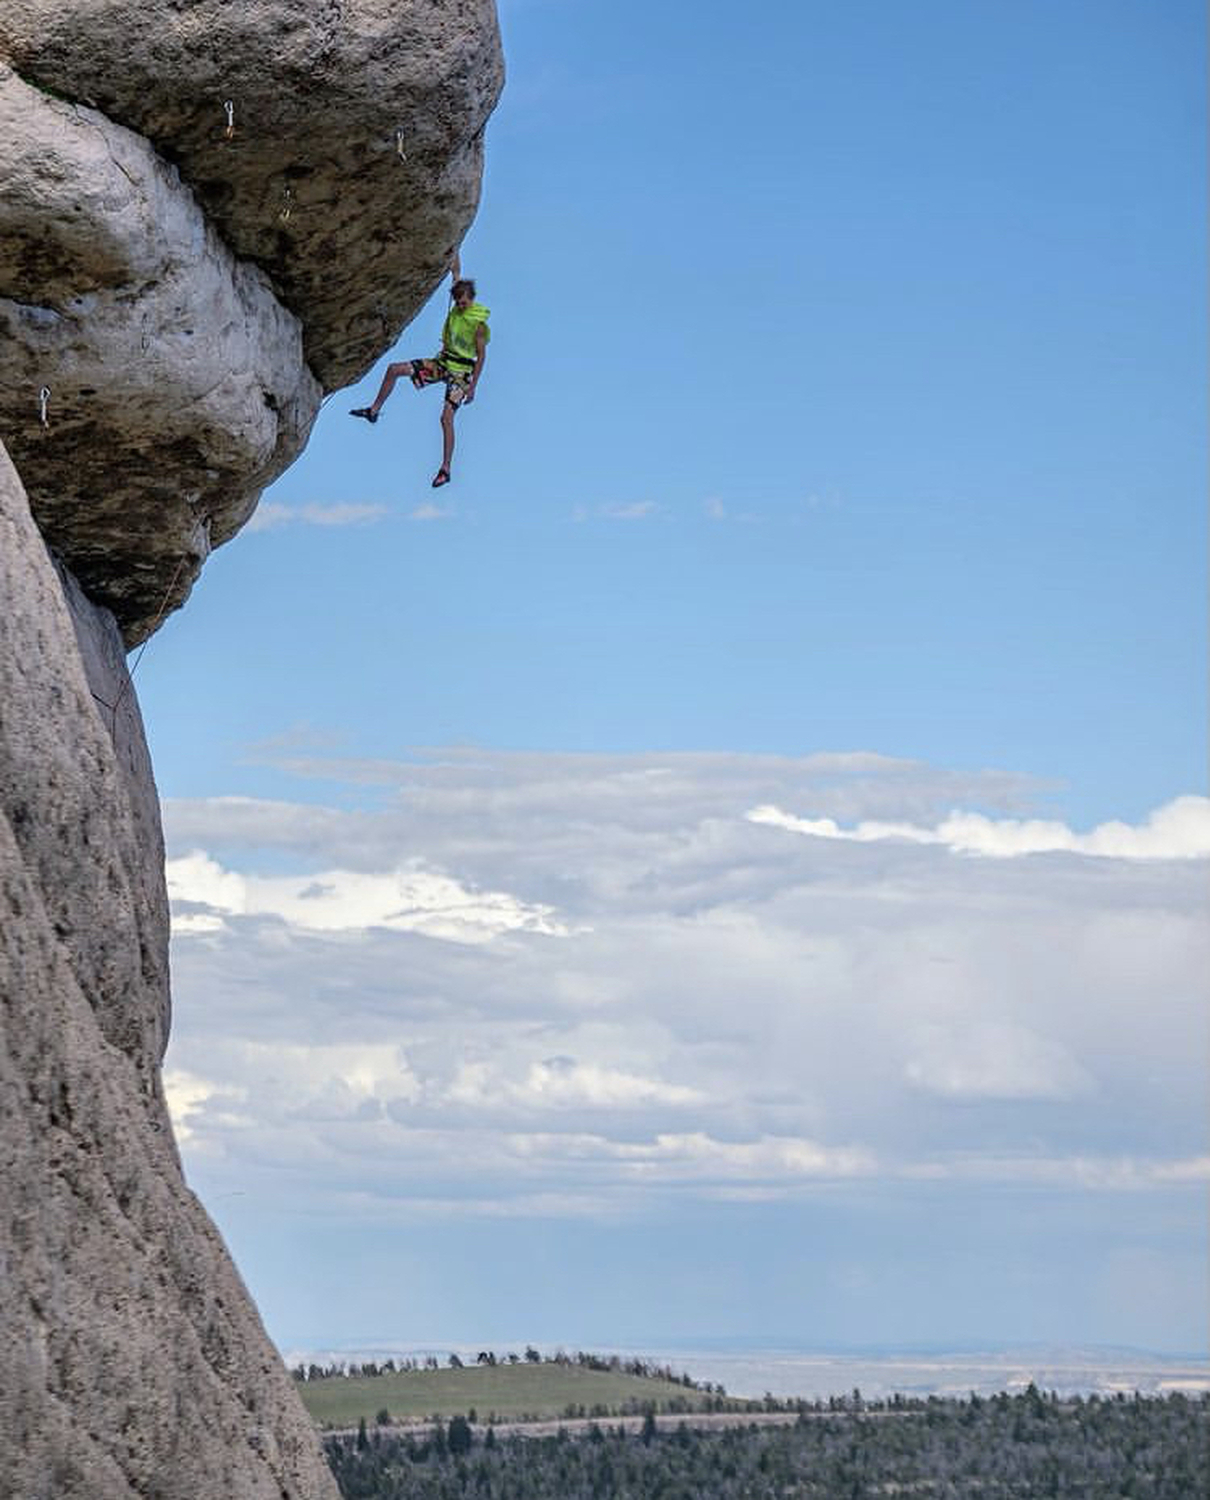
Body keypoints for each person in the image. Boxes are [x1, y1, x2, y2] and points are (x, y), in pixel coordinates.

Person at [350, 253, 490, 487]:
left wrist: (473, 387)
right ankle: (374, 411)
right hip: (443, 363)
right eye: (458, 303)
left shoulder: (479, 324)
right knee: (394, 369)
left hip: (462, 373)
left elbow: (482, 357)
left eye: (464, 303)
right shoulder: (458, 295)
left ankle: (445, 469)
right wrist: (455, 244)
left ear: (471, 299)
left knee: (446, 417)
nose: (460, 307)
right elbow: (455, 272)